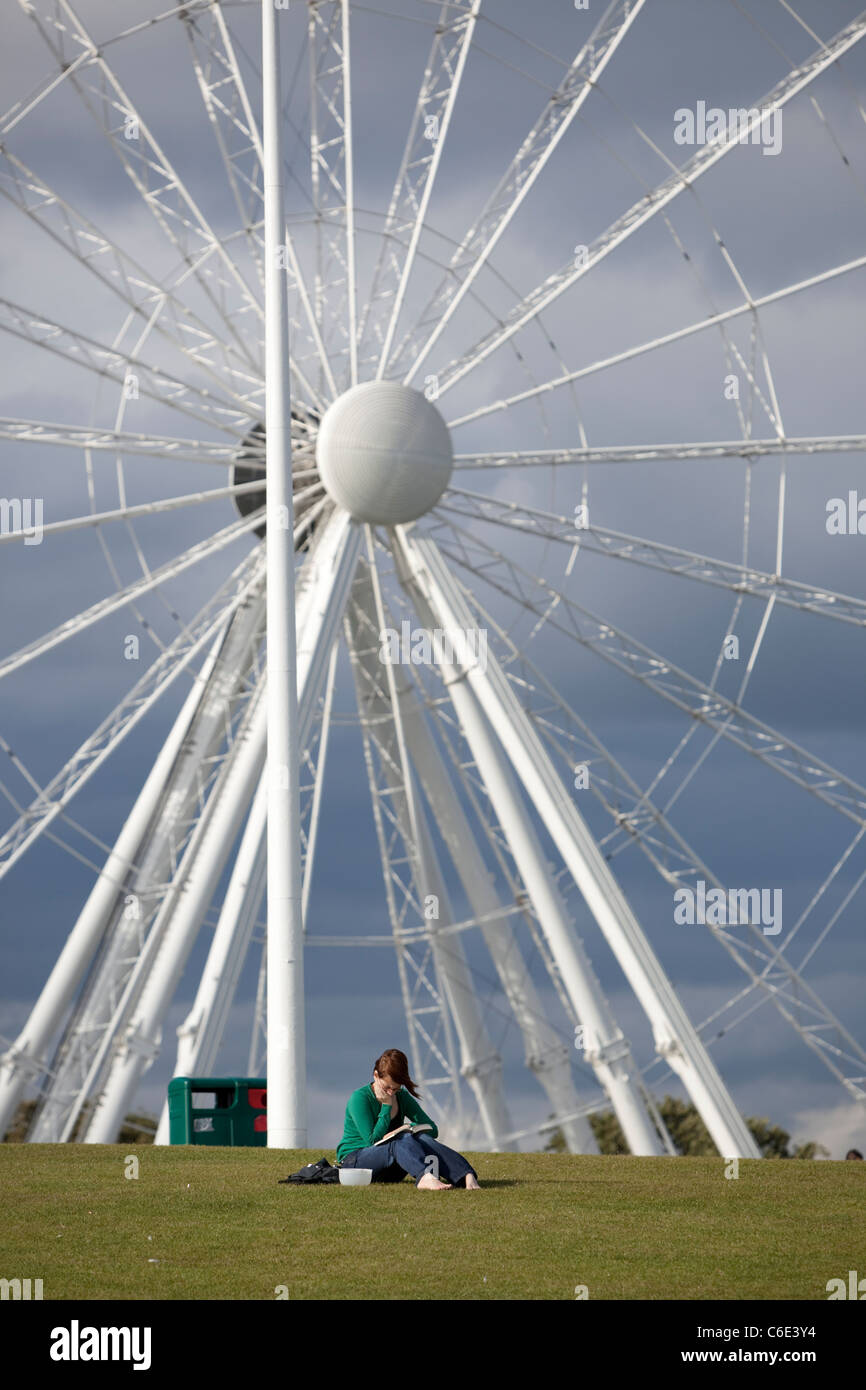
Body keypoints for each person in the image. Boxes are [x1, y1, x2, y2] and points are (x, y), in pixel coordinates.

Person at [336, 1048, 480, 1190]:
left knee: (419, 1138)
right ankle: (425, 1178)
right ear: (375, 1075)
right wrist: (386, 1107)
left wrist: (410, 1129)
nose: (391, 1093)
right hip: (355, 1163)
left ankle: (465, 1176)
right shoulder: (360, 1098)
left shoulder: (402, 1097)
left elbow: (432, 1129)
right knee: (398, 1142)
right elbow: (371, 1142)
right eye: (387, 1087)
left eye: (396, 1088)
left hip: (391, 1168)